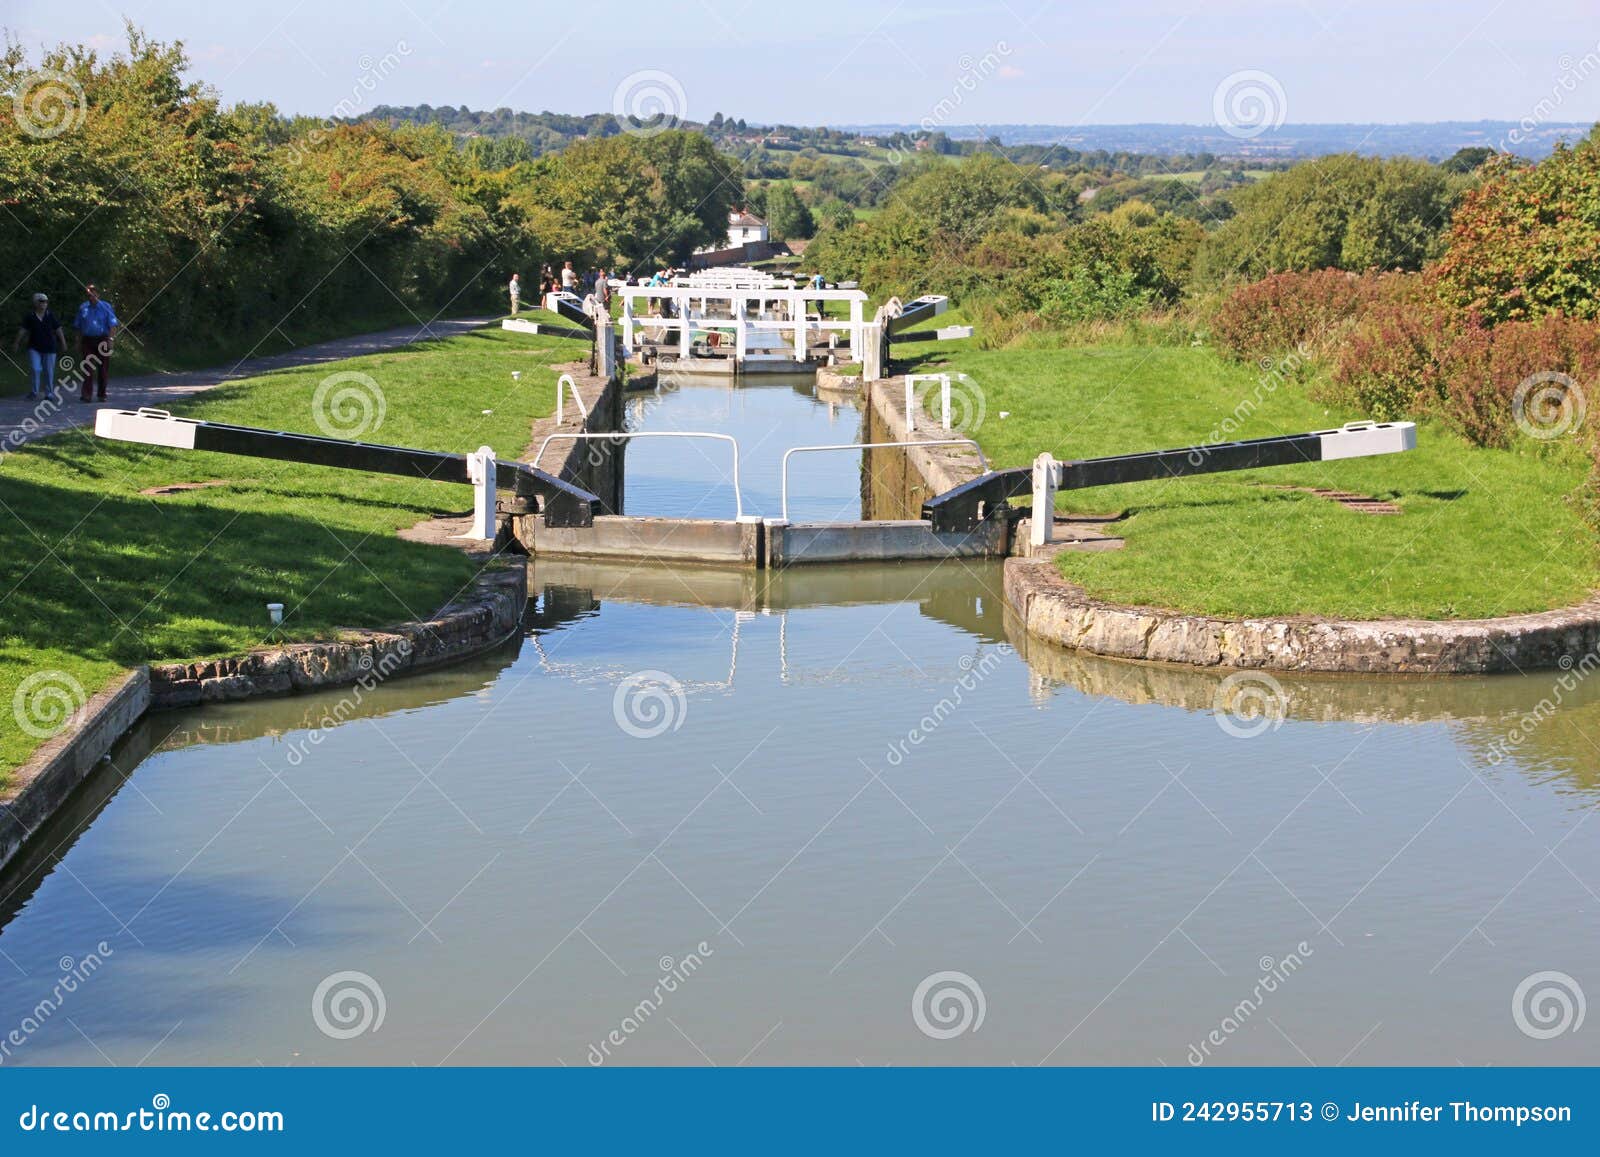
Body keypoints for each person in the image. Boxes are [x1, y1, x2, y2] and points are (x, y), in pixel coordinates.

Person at [14, 293, 65, 401]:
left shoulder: (50, 315)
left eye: (46, 301)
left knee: (48, 371)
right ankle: (34, 391)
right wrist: (17, 342)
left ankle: (49, 393)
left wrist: (63, 342)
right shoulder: (30, 316)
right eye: (41, 301)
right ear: (36, 302)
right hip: (34, 347)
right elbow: (23, 330)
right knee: (35, 368)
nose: (44, 303)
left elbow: (58, 329)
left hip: (50, 347)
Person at [73, 283, 119, 403]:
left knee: (103, 368)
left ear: (98, 294)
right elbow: (78, 326)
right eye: (89, 294)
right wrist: (78, 342)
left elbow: (113, 325)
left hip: (102, 339)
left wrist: (110, 339)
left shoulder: (106, 307)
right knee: (87, 368)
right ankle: (86, 394)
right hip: (87, 340)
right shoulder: (83, 307)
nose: (91, 296)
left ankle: (102, 394)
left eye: (93, 293)